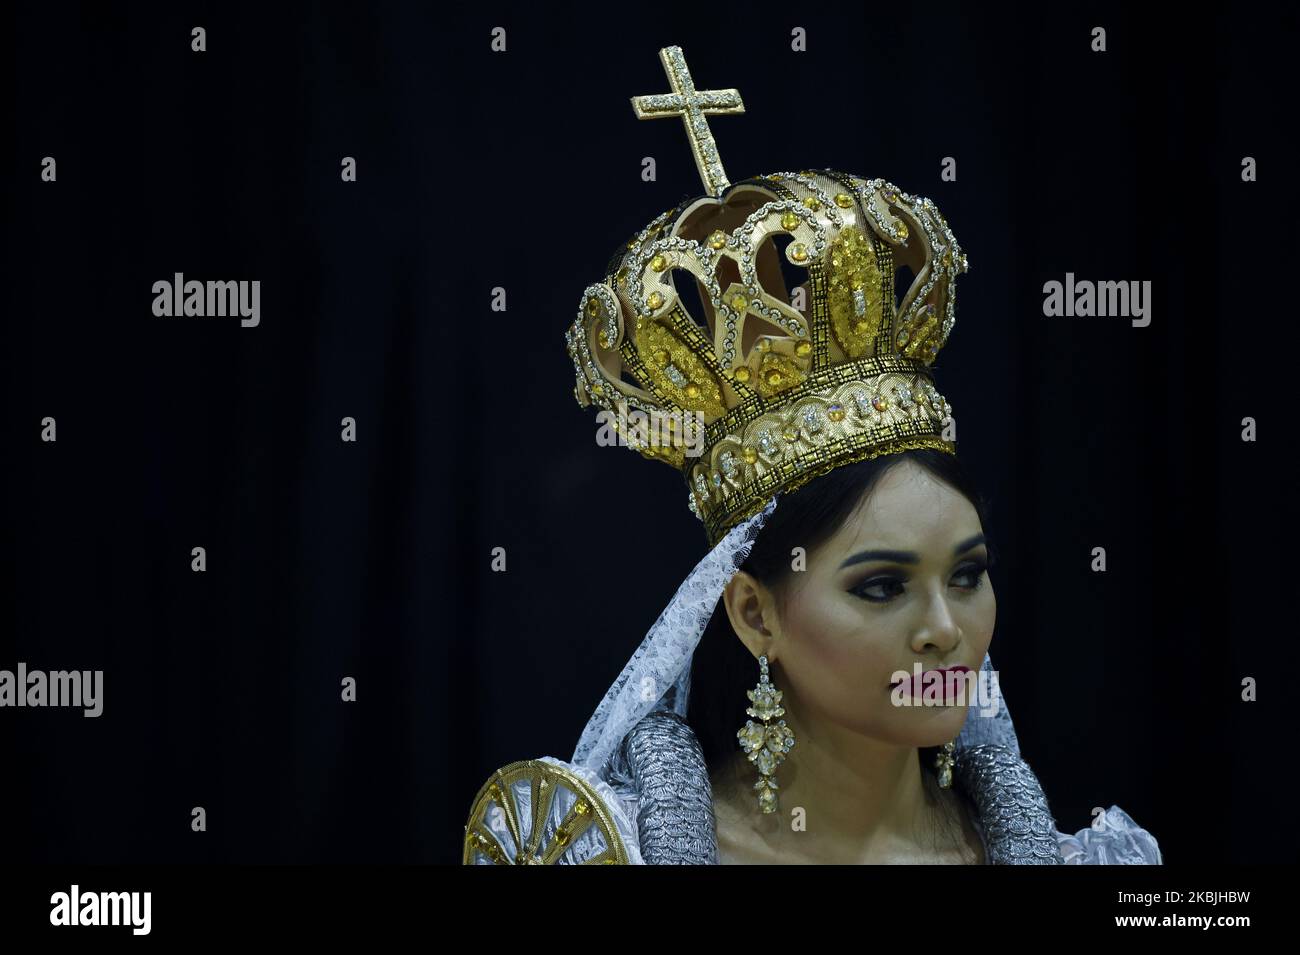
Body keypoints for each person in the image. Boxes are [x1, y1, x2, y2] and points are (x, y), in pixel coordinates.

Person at [462, 45, 1162, 865]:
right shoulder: (598, 853)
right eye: (881, 585)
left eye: (967, 575)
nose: (946, 631)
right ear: (756, 613)